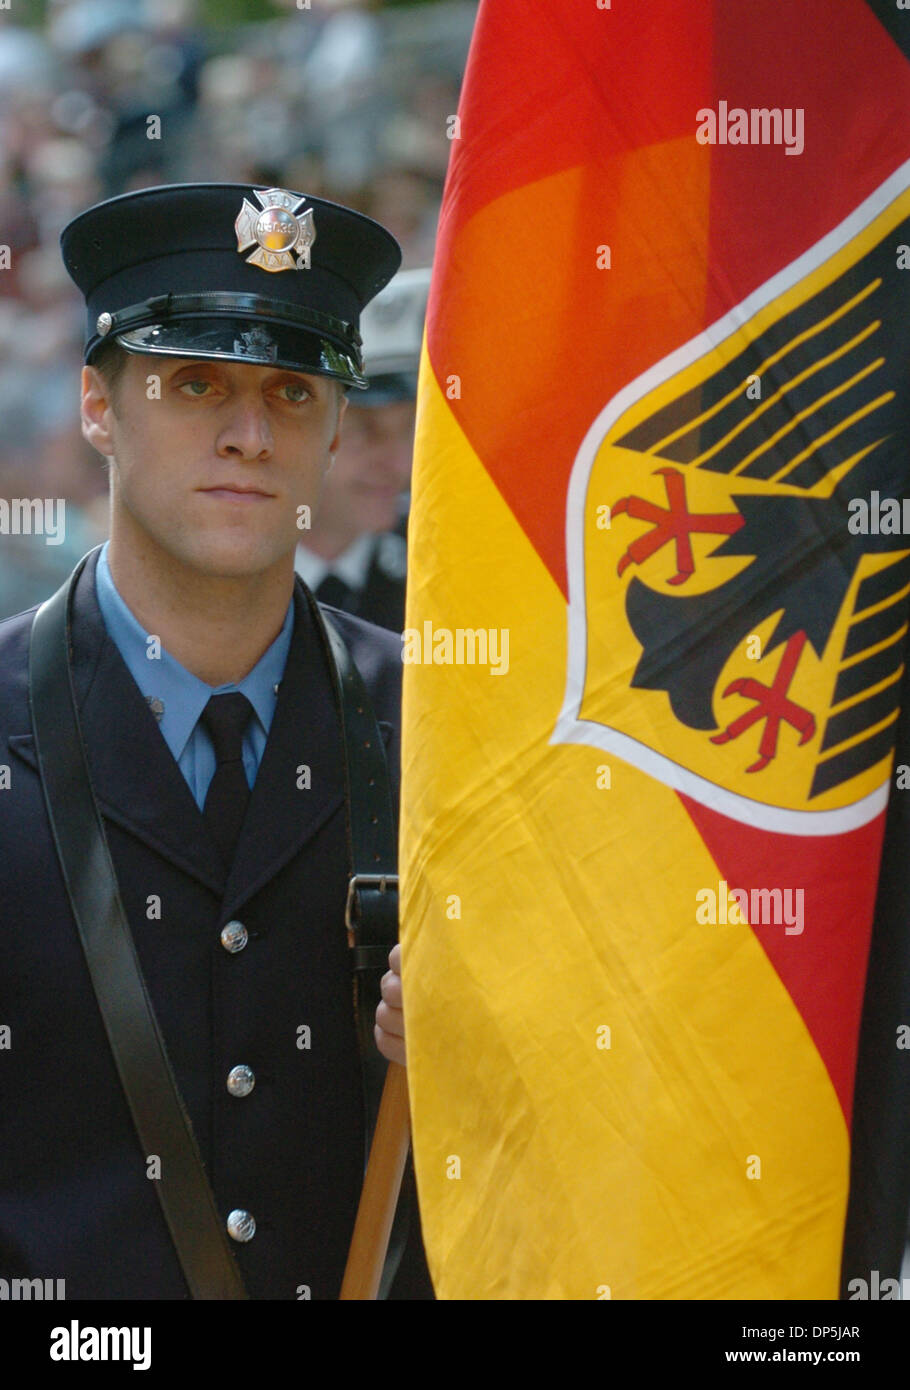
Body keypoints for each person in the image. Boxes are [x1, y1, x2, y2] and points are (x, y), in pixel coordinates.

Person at [0, 182, 433, 1300]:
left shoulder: (439, 723)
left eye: (293, 392)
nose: (249, 434)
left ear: (339, 425)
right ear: (99, 407)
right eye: (195, 383)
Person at [295, 267, 430, 631]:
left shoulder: (435, 577)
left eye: (409, 431)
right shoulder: (222, 565)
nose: (398, 464)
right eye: (364, 431)